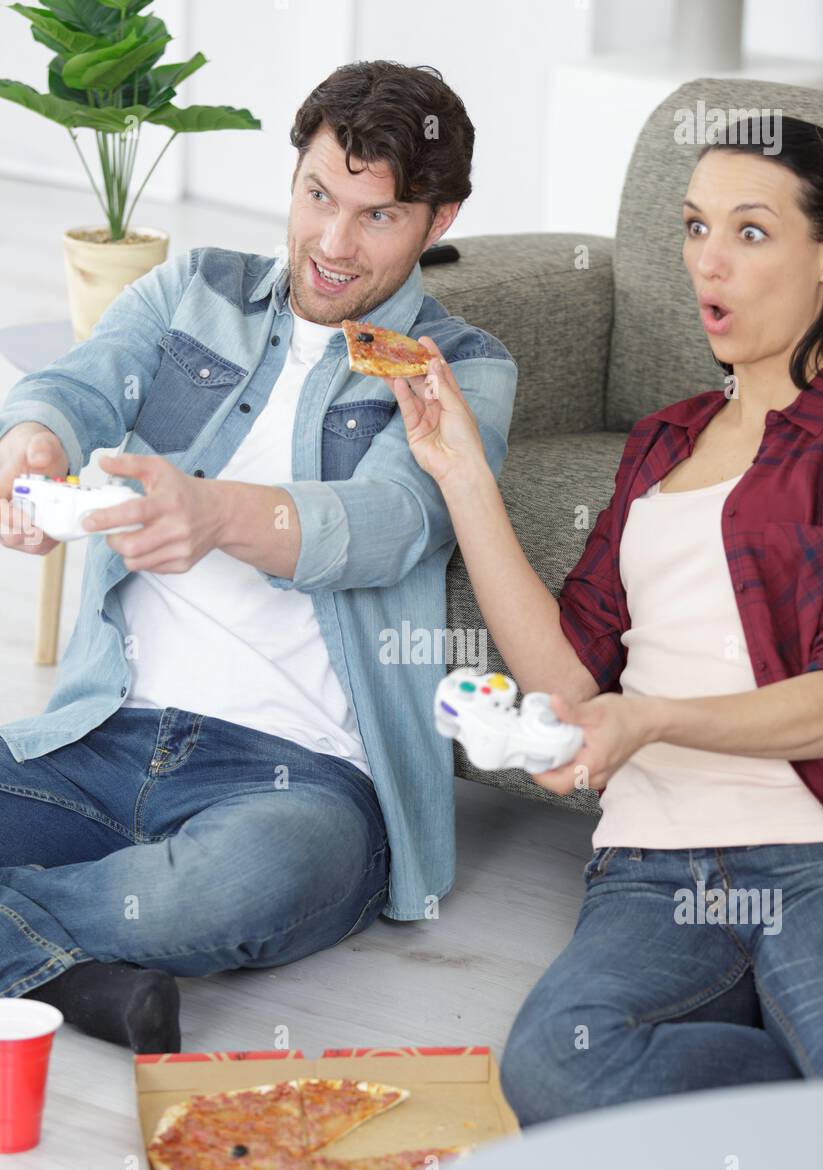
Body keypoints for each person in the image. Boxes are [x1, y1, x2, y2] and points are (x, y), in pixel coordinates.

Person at [0, 60, 517, 1052]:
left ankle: (36, 945)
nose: (331, 242)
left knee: (238, 889)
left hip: (296, 777)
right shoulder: (193, 290)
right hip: (103, 738)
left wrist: (213, 514)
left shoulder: (466, 370)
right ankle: (85, 976)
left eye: (377, 217)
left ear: (437, 220)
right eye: (318, 195)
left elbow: (390, 521)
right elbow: (77, 385)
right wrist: (33, 444)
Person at [388, 115, 823, 1123]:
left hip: (819, 851)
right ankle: (808, 1117)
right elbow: (566, 681)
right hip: (651, 861)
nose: (708, 263)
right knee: (554, 1069)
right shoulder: (662, 442)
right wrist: (462, 473)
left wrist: (647, 720)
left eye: (747, 232)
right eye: (694, 228)